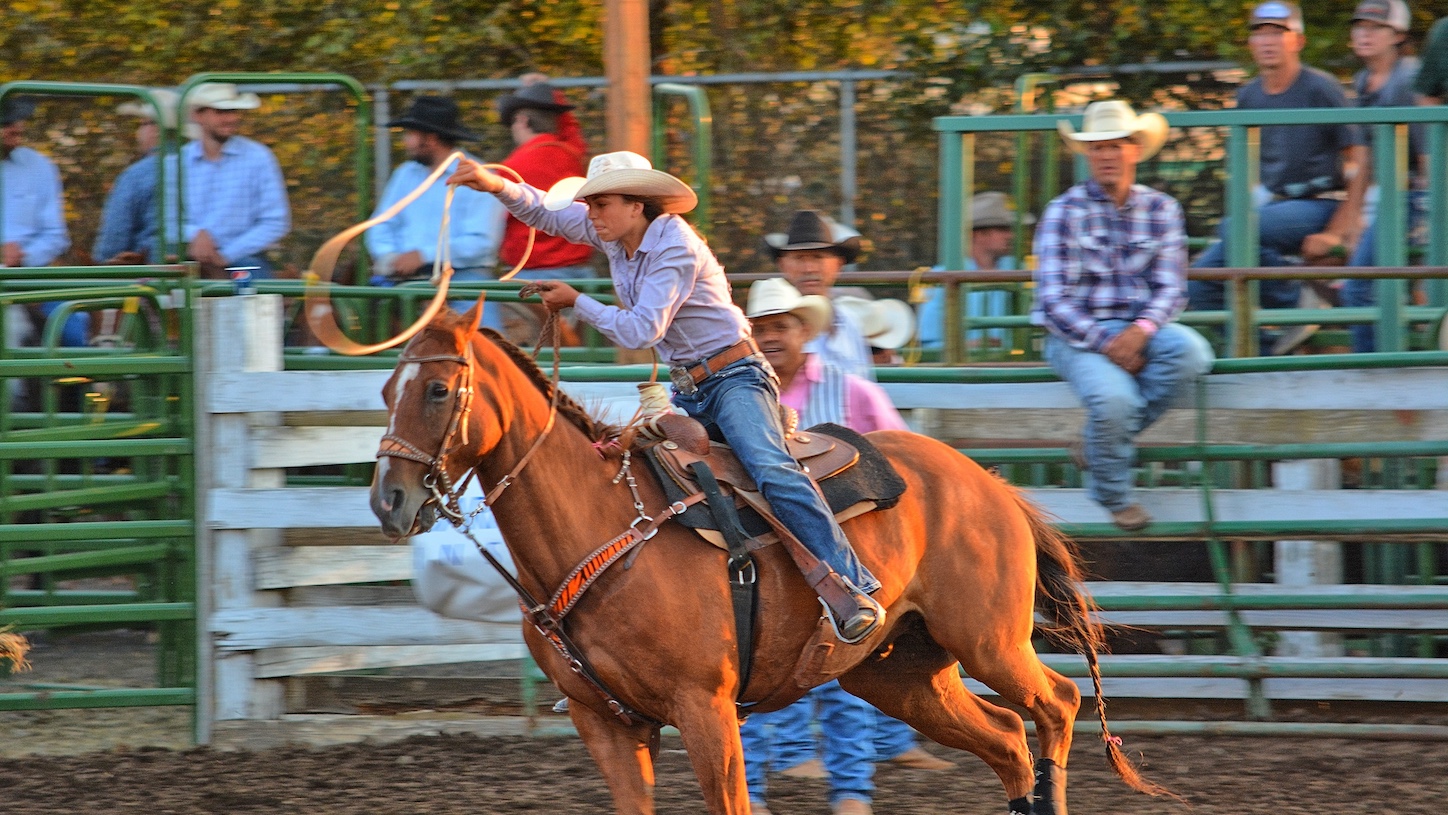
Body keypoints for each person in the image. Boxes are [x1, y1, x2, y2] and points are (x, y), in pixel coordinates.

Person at [447, 151, 884, 641]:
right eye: (589, 204)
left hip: (734, 378)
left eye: (600, 203)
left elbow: (641, 330)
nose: (590, 213)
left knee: (769, 468)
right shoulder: (616, 232)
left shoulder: (676, 246)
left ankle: (854, 583)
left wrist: (577, 302)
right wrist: (490, 182)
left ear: (637, 205)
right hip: (693, 388)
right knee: (647, 486)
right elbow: (547, 213)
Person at [739, 278, 949, 815]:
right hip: (769, 562)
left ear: (802, 331)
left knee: (843, 674)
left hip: (843, 555)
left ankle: (849, 789)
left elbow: (904, 459)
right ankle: (763, 792)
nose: (770, 338)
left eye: (780, 327)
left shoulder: (850, 389)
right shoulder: (741, 395)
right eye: (760, 329)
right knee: (755, 675)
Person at [1034, 100, 1215, 531]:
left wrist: (1142, 331)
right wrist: (1110, 342)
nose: (1107, 155)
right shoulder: (1063, 211)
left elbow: (1172, 287)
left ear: (1135, 149)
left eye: (1116, 146)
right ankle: (1112, 493)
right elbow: (1054, 300)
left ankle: (1098, 444)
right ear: (1087, 155)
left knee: (1194, 354)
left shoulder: (1162, 209)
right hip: (1077, 337)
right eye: (1098, 147)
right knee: (1113, 399)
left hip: (1140, 330)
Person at [1187, 1, 1368, 351]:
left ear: (1297, 41)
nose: (1268, 41)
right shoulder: (1249, 95)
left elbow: (1360, 160)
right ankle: (1269, 351)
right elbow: (1248, 171)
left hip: (1320, 204)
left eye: (1277, 33)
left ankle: (1297, 299)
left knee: (1234, 228)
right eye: (1260, 34)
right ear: (1251, 44)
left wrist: (1339, 229)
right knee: (1200, 281)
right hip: (1272, 209)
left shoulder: (1321, 87)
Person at [365, 96, 507, 326]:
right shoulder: (404, 174)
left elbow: (482, 242)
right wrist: (391, 257)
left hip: (461, 279)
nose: (406, 141)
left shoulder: (482, 177)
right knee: (364, 326)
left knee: (485, 339)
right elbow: (381, 224)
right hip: (403, 281)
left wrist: (424, 255)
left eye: (410, 134)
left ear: (430, 139)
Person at [1343, 0, 1423, 352]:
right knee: (1366, 286)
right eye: (1360, 26)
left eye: (1376, 27)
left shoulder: (1410, 76)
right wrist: (1353, 217)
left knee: (1358, 287)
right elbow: (1369, 158)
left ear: (1398, 35)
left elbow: (1428, 155)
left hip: (1416, 196)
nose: (1364, 33)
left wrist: (1426, 209)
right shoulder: (1363, 81)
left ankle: (1377, 374)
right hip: (1391, 198)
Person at [180, 83, 290, 280]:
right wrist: (195, 235)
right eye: (221, 112)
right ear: (198, 115)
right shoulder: (178, 161)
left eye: (233, 111)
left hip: (243, 259)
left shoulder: (258, 157)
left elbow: (275, 221)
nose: (231, 118)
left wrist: (227, 254)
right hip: (185, 258)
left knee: (256, 291)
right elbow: (165, 218)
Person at [495, 78, 595, 279]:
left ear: (523, 120)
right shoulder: (574, 153)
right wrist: (549, 91)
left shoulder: (509, 169)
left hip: (533, 276)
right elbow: (570, 125)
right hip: (580, 273)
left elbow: (496, 223)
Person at [917, 191, 1035, 353]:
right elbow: (928, 343)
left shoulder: (1021, 270)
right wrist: (967, 347)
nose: (1011, 235)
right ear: (978, 234)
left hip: (1016, 368)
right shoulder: (940, 276)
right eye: (1003, 229)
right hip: (966, 373)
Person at [2, 96, 77, 345]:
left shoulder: (39, 166)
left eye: (17, 120)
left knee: (76, 335)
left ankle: (85, 381)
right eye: (6, 122)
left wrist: (23, 257)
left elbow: (55, 234)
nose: (16, 127)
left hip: (31, 281)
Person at [765, 211, 874, 379]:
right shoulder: (771, 327)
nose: (809, 268)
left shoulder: (849, 322)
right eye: (799, 258)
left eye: (818, 257)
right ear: (783, 265)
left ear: (838, 265)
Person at [93, 89, 184, 265]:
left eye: (142, 124)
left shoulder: (135, 176)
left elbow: (115, 236)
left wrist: (102, 262)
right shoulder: (198, 165)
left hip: (151, 270)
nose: (138, 132)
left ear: (156, 129)